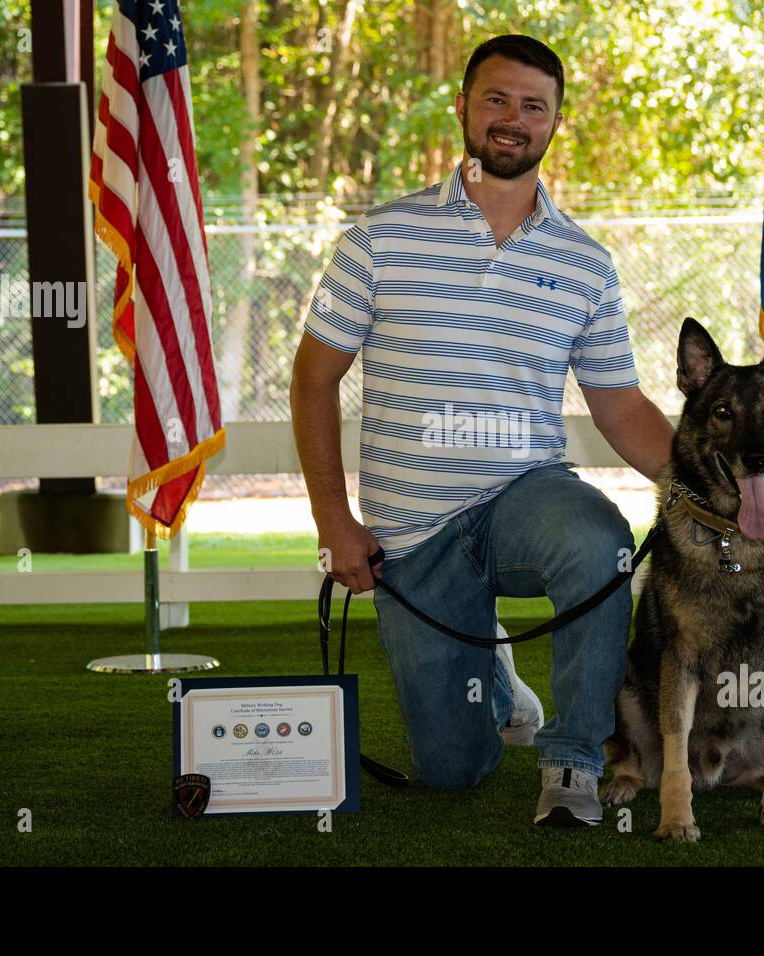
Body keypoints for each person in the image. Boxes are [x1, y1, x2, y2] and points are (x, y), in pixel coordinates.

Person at [290, 34, 674, 826]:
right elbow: (313, 378)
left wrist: (707, 487)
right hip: (411, 532)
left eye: (534, 106)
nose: (513, 119)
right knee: (452, 771)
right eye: (496, 99)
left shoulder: (585, 264)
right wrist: (335, 518)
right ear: (462, 107)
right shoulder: (378, 239)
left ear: (554, 124)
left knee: (598, 540)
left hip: (524, 498)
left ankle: (572, 764)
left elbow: (621, 405)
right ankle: (500, 685)